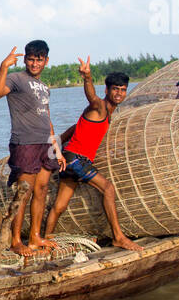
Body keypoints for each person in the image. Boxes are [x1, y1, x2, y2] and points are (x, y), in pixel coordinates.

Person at [43, 60, 142, 252]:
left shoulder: (108, 113)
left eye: (123, 89)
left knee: (59, 206)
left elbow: (76, 127)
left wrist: (59, 143)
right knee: (108, 188)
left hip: (69, 159)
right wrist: (87, 77)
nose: (119, 93)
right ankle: (119, 237)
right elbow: (91, 96)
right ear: (107, 90)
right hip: (77, 159)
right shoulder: (100, 107)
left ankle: (46, 242)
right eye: (115, 89)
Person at [0, 40, 64, 255]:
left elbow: (46, 117)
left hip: (45, 144)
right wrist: (4, 66)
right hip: (25, 143)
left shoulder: (44, 87)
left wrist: (56, 147)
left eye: (39, 60)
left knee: (41, 190)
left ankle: (35, 237)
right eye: (31, 59)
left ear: (46, 61)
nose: (34, 63)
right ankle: (15, 240)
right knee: (23, 192)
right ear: (25, 60)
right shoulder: (16, 79)